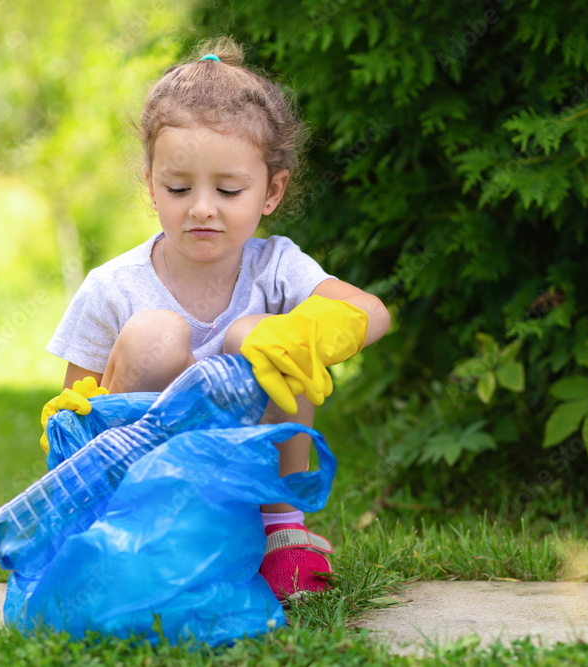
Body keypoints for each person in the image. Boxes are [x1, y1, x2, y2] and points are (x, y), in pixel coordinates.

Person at [39, 37, 391, 606]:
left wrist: (310, 333)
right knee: (157, 335)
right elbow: (76, 413)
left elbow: (371, 310)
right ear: (151, 186)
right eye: (179, 188)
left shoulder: (275, 266)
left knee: (262, 335)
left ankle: (282, 531)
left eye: (228, 189)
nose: (202, 206)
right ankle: (131, 540)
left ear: (271, 191)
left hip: (246, 490)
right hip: (143, 497)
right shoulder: (113, 287)